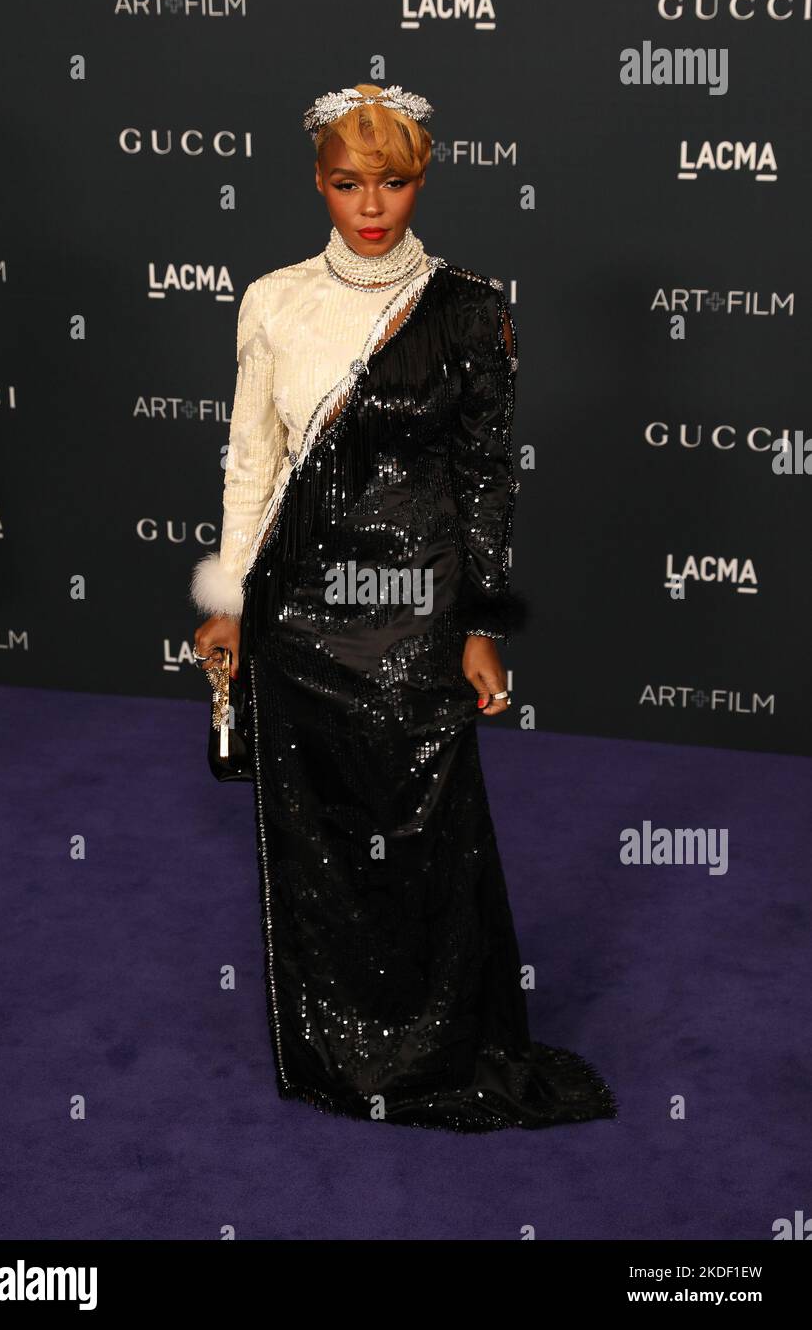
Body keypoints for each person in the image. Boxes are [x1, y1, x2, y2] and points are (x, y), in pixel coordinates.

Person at [191, 82, 618, 1132]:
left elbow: (482, 481)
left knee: (426, 834)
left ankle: (437, 1046)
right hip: (297, 618)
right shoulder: (273, 301)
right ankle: (334, 1052)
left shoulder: (469, 308)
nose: (370, 204)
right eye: (347, 182)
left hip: (414, 607)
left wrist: (477, 623)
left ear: (422, 178)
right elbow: (254, 464)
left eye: (392, 181)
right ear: (318, 182)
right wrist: (229, 603)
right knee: (313, 839)